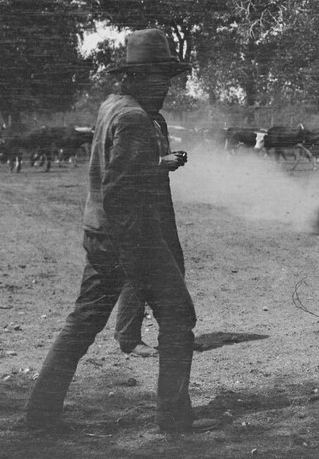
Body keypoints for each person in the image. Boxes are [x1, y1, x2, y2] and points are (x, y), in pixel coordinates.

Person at [24, 29, 215, 434]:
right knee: (179, 316)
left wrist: (158, 162)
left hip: (99, 232)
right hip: (129, 236)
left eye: (167, 76)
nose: (166, 85)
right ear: (133, 77)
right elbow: (120, 189)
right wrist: (139, 256)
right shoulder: (133, 118)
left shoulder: (112, 107)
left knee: (83, 321)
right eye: (157, 76)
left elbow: (120, 169)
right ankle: (173, 418)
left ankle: (40, 414)